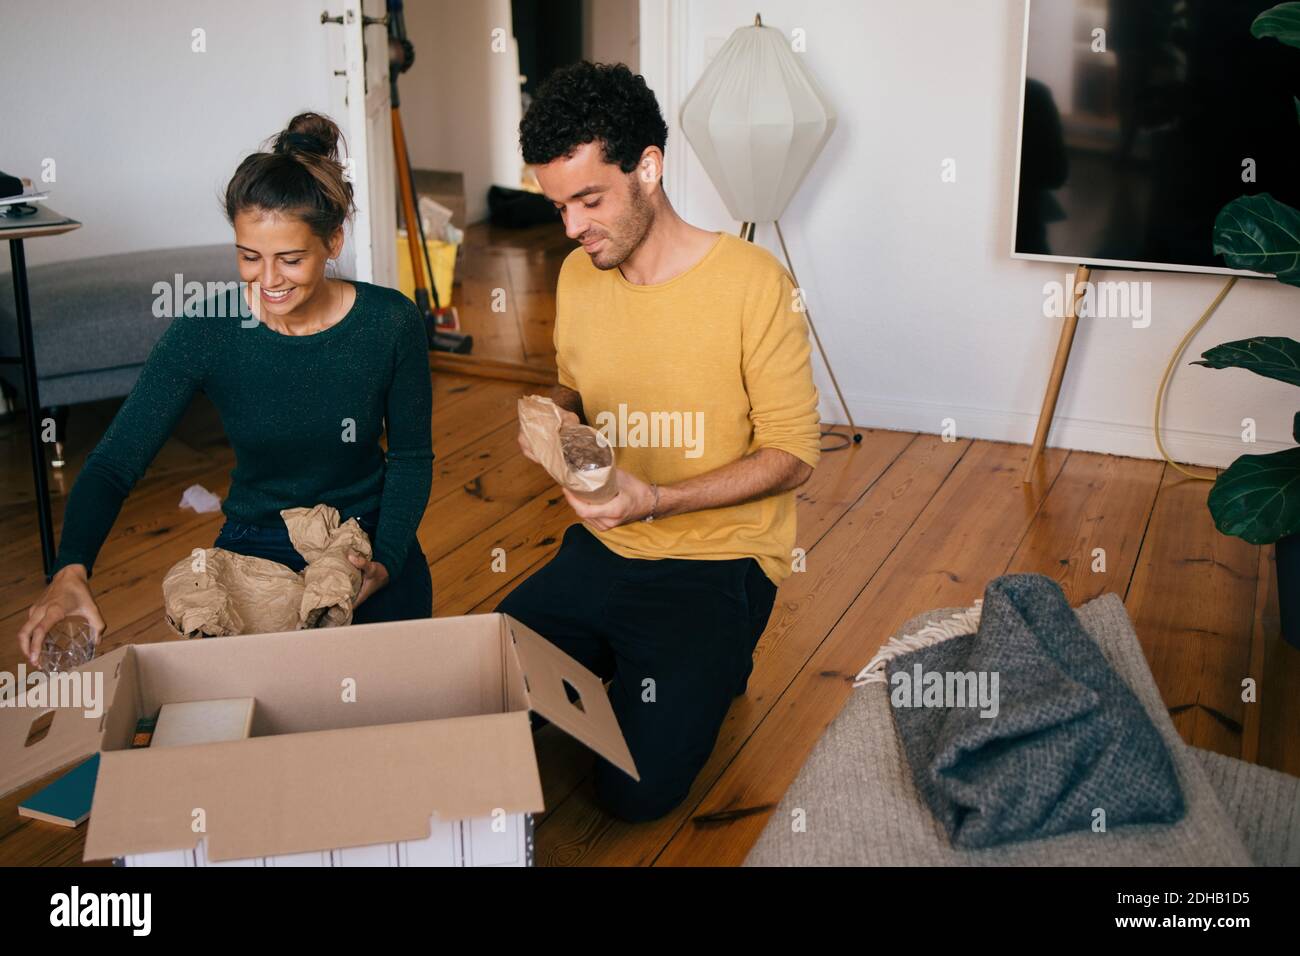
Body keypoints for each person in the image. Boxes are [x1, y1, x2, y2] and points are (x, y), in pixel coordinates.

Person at [498, 63, 822, 822]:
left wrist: (657, 500)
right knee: (474, 689)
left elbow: (794, 453)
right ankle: (628, 658)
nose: (573, 227)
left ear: (648, 168)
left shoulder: (753, 282)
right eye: (558, 206)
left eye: (589, 199)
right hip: (602, 550)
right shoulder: (581, 277)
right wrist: (551, 416)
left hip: (715, 564)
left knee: (634, 795)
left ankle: (708, 656)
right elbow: (576, 385)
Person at [18, 112, 434, 666]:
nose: (268, 282)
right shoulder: (207, 331)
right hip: (255, 540)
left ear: (333, 241)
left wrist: (386, 557)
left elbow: (410, 456)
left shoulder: (390, 322)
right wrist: (70, 567)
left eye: (290, 259)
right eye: (248, 257)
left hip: (365, 536)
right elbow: (115, 462)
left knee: (394, 688)